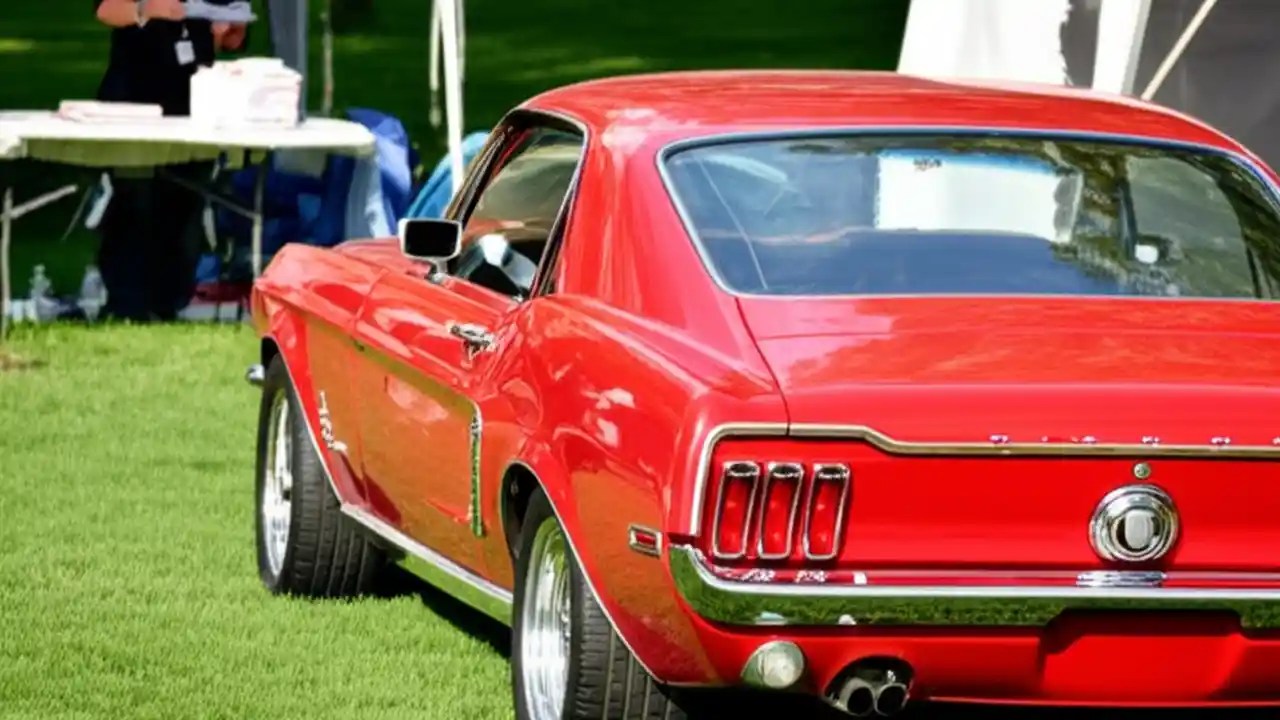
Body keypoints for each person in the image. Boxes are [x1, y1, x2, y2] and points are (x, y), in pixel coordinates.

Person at [92, 0, 246, 320]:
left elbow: (234, 37)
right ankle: (126, 303)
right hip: (133, 99)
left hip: (195, 103)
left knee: (184, 201)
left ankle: (169, 302)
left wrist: (228, 30)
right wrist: (147, 9)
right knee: (134, 200)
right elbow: (106, 10)